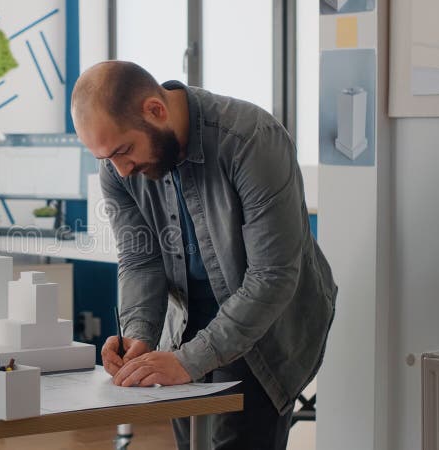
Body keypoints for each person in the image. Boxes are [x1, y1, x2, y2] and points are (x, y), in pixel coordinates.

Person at [70, 60, 337, 449]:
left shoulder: (250, 139)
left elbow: (273, 276)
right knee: (193, 441)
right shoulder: (118, 165)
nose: (120, 171)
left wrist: (188, 361)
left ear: (156, 111)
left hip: (264, 325)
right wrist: (139, 335)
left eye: (124, 151)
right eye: (105, 158)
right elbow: (140, 259)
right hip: (186, 323)